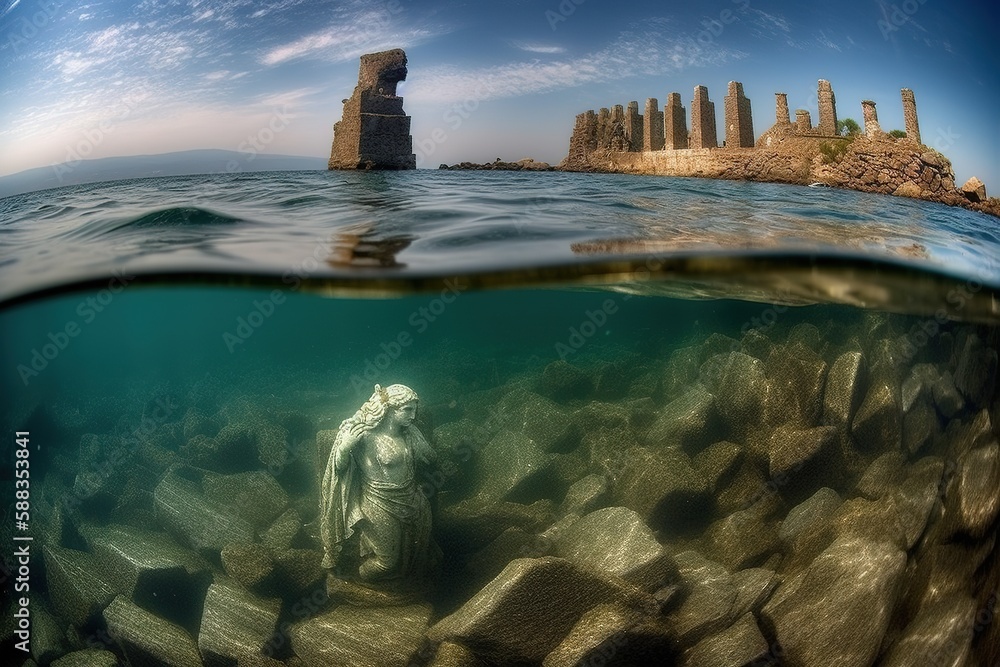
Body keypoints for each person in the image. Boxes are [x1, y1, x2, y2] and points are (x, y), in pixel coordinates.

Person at [320, 384, 438, 582]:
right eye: (407, 410)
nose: (413, 416)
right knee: (387, 563)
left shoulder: (410, 433)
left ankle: (400, 583)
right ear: (389, 409)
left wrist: (420, 442)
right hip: (378, 502)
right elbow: (339, 469)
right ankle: (359, 580)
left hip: (412, 500)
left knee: (419, 554)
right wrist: (344, 448)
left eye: (414, 410)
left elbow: (431, 459)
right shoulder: (364, 434)